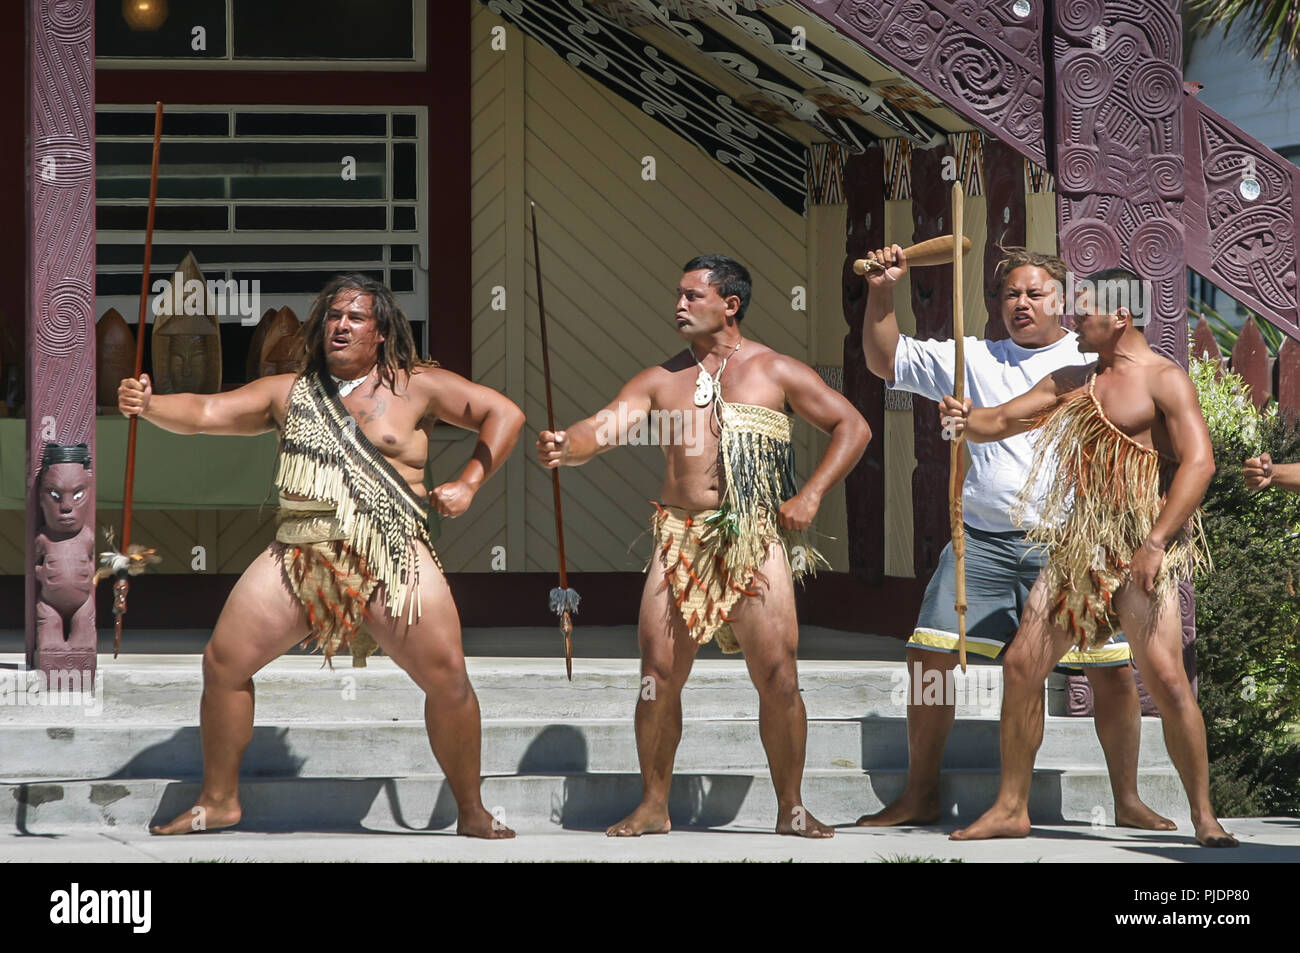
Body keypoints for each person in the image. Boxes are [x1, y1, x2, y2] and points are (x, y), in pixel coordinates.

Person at [119, 274, 525, 839]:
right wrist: (150, 404)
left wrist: (470, 482)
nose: (340, 326)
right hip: (299, 551)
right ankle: (218, 800)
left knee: (449, 677)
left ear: (380, 332)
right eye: (333, 316)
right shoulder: (287, 391)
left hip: (391, 551)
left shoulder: (418, 387)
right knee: (223, 662)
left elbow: (504, 413)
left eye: (355, 318)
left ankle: (471, 809)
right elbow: (209, 412)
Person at [537, 255, 870, 837]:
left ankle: (791, 807)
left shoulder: (776, 371)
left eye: (693, 295)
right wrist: (569, 444)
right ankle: (653, 804)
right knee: (657, 675)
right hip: (680, 540)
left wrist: (812, 495)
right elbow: (606, 426)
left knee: (780, 677)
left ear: (730, 304)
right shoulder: (660, 379)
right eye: (679, 295)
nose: (680, 305)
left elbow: (854, 426)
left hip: (752, 538)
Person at [855, 246, 1170, 830]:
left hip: (1074, 547)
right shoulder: (970, 356)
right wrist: (882, 289)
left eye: (1035, 293)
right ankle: (921, 793)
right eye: (1009, 295)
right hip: (983, 542)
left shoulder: (1093, 364)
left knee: (1109, 671)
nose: (1020, 304)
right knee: (928, 660)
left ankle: (1126, 799)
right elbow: (884, 358)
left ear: (1063, 302)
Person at [941, 267, 1236, 846]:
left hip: (1142, 546)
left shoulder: (1163, 380)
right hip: (1080, 543)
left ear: (1121, 315)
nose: (1072, 319)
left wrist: (1154, 544)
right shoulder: (1074, 380)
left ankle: (1204, 815)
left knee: (1169, 681)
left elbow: (1199, 464)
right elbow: (998, 421)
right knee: (1023, 666)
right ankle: (1011, 807)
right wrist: (962, 420)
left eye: (1084, 310)